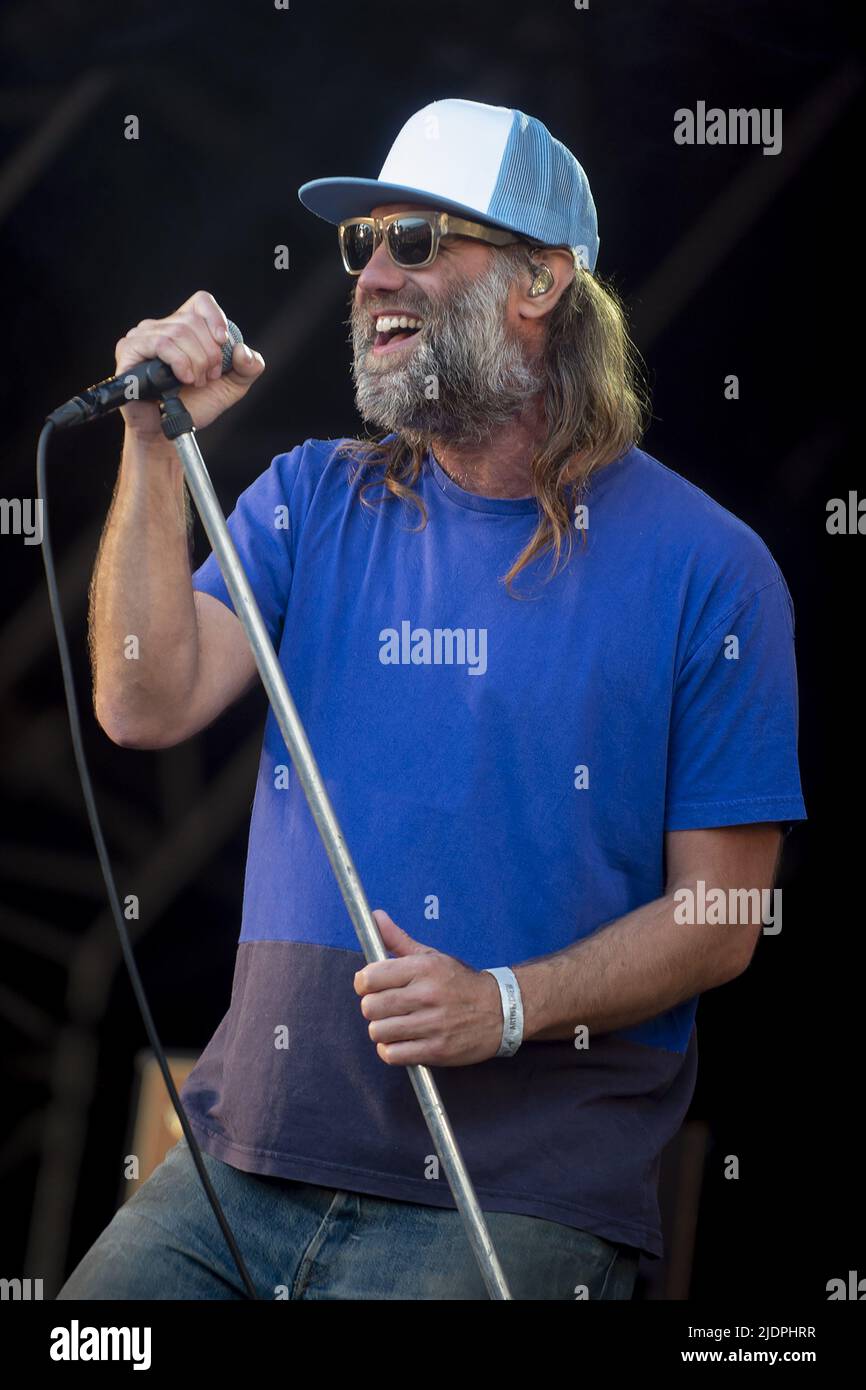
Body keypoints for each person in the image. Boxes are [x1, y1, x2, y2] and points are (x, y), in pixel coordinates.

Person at [58, 98, 806, 1302]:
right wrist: (151, 447)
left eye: (417, 241)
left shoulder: (708, 570)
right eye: (363, 245)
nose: (370, 276)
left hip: (509, 1196)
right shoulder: (314, 496)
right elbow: (144, 700)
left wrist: (507, 1005)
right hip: (238, 1166)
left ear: (540, 281)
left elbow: (721, 912)